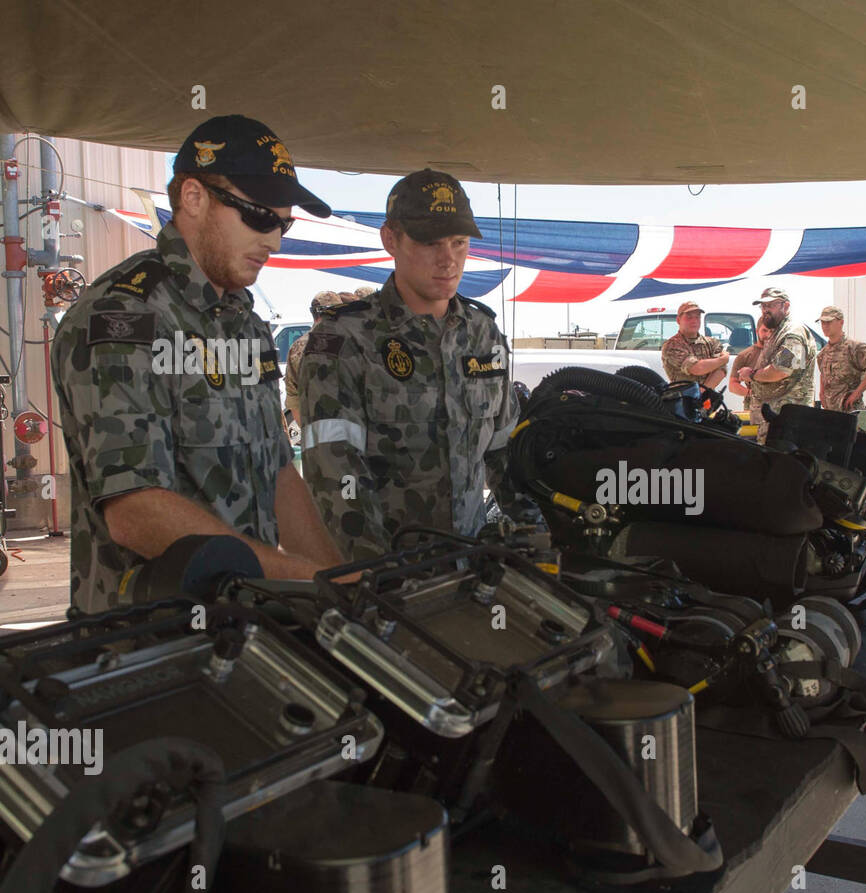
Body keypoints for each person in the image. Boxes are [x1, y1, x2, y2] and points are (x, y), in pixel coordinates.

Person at [51, 114, 345, 614]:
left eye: (284, 223)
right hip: (149, 641)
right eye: (258, 216)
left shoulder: (244, 323)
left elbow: (277, 472)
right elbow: (136, 510)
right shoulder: (123, 316)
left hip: (247, 622)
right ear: (193, 197)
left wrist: (339, 586)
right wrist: (298, 579)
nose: (274, 241)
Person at [298, 170, 521, 560]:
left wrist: (529, 538)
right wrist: (378, 575)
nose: (448, 259)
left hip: (472, 564)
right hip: (386, 573)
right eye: (430, 242)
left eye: (459, 242)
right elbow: (335, 476)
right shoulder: (345, 339)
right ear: (391, 239)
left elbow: (506, 452)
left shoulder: (484, 334)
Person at [747, 287, 816, 443]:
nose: (765, 310)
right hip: (776, 417)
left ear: (786, 306)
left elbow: (780, 370)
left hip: (788, 420)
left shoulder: (793, 333)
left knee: (783, 465)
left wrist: (752, 374)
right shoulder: (778, 331)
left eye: (770, 305)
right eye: (763, 306)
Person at [284, 290, 343, 427]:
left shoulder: (297, 347)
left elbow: (294, 399)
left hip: (316, 431)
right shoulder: (350, 341)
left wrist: (308, 434)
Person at [815, 305, 866, 412]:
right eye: (822, 322)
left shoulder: (856, 347)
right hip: (830, 412)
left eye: (829, 322)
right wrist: (821, 393)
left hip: (849, 411)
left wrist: (857, 393)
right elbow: (823, 374)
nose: (825, 326)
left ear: (841, 322)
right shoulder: (823, 353)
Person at [660, 301, 729, 388]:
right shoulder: (672, 345)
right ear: (678, 320)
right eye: (689, 317)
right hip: (683, 398)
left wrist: (703, 393)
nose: (694, 321)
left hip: (708, 397)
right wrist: (724, 359)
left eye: (697, 317)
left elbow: (721, 370)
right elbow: (697, 368)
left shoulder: (712, 343)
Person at [728, 319, 772, 414]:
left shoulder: (780, 353)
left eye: (771, 331)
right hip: (754, 407)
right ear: (757, 331)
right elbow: (732, 385)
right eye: (764, 330)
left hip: (777, 405)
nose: (768, 335)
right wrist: (750, 393)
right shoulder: (744, 355)